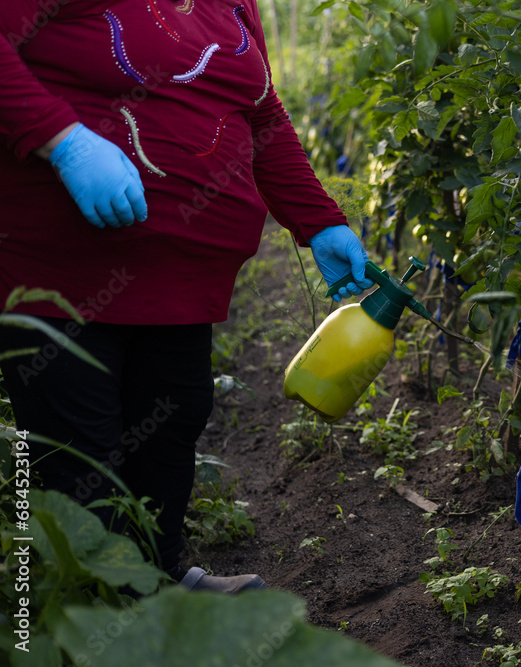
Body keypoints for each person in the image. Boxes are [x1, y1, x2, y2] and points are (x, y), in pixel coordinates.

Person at [0, 0, 371, 592]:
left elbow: (261, 113)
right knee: (82, 459)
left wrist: (319, 220)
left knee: (170, 425)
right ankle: (96, 623)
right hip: (63, 279)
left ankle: (160, 584)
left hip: (184, 284)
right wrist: (63, 141)